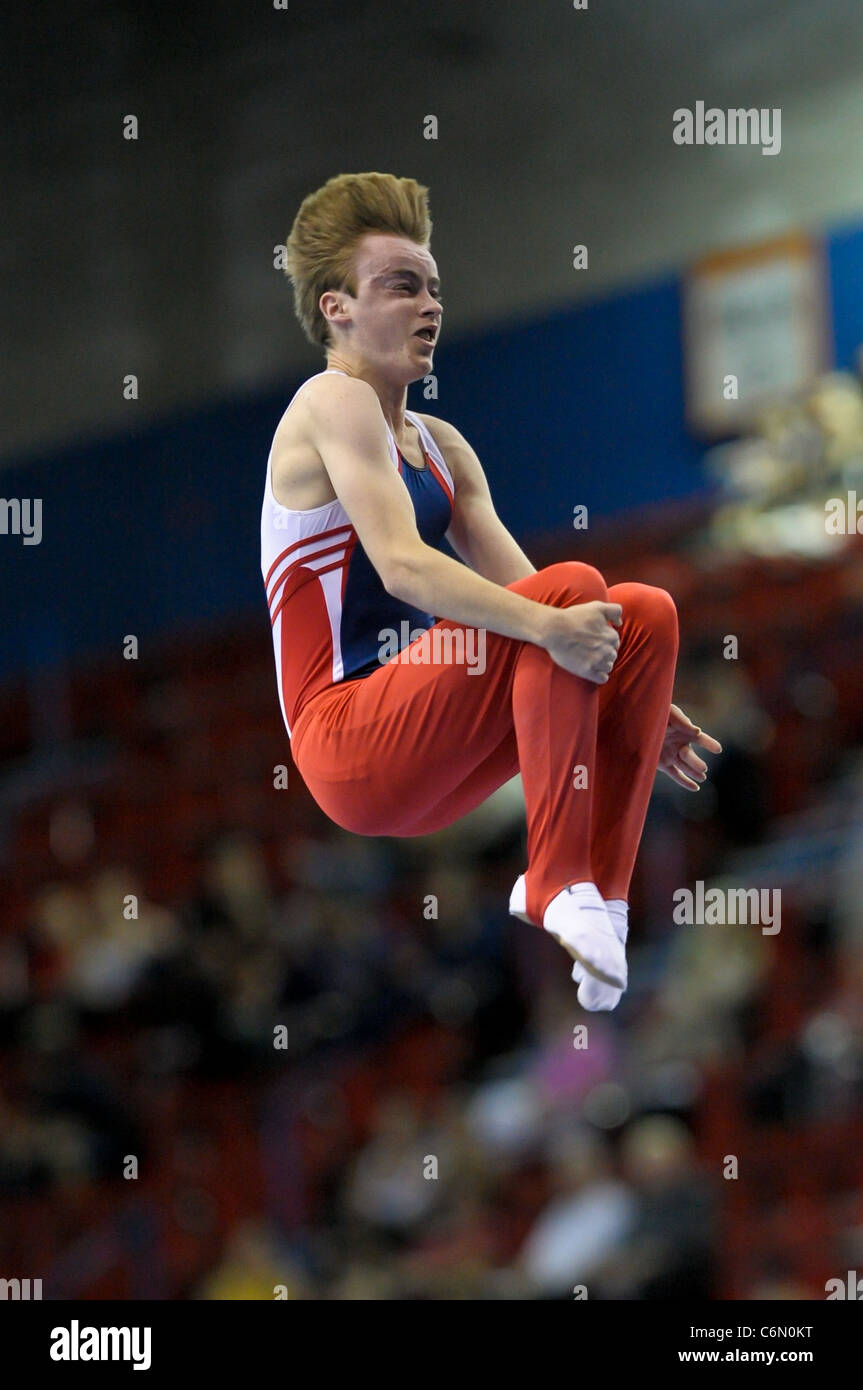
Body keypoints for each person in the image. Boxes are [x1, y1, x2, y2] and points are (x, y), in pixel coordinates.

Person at [261, 171, 721, 1011]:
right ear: (337, 307)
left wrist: (632, 687)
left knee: (642, 613)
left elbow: (533, 594)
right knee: (572, 598)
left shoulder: (441, 446)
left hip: (428, 745)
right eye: (401, 286)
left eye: (434, 286)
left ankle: (600, 900)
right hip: (344, 739)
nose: (429, 305)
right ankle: (550, 878)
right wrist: (564, 631)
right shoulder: (329, 403)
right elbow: (403, 566)